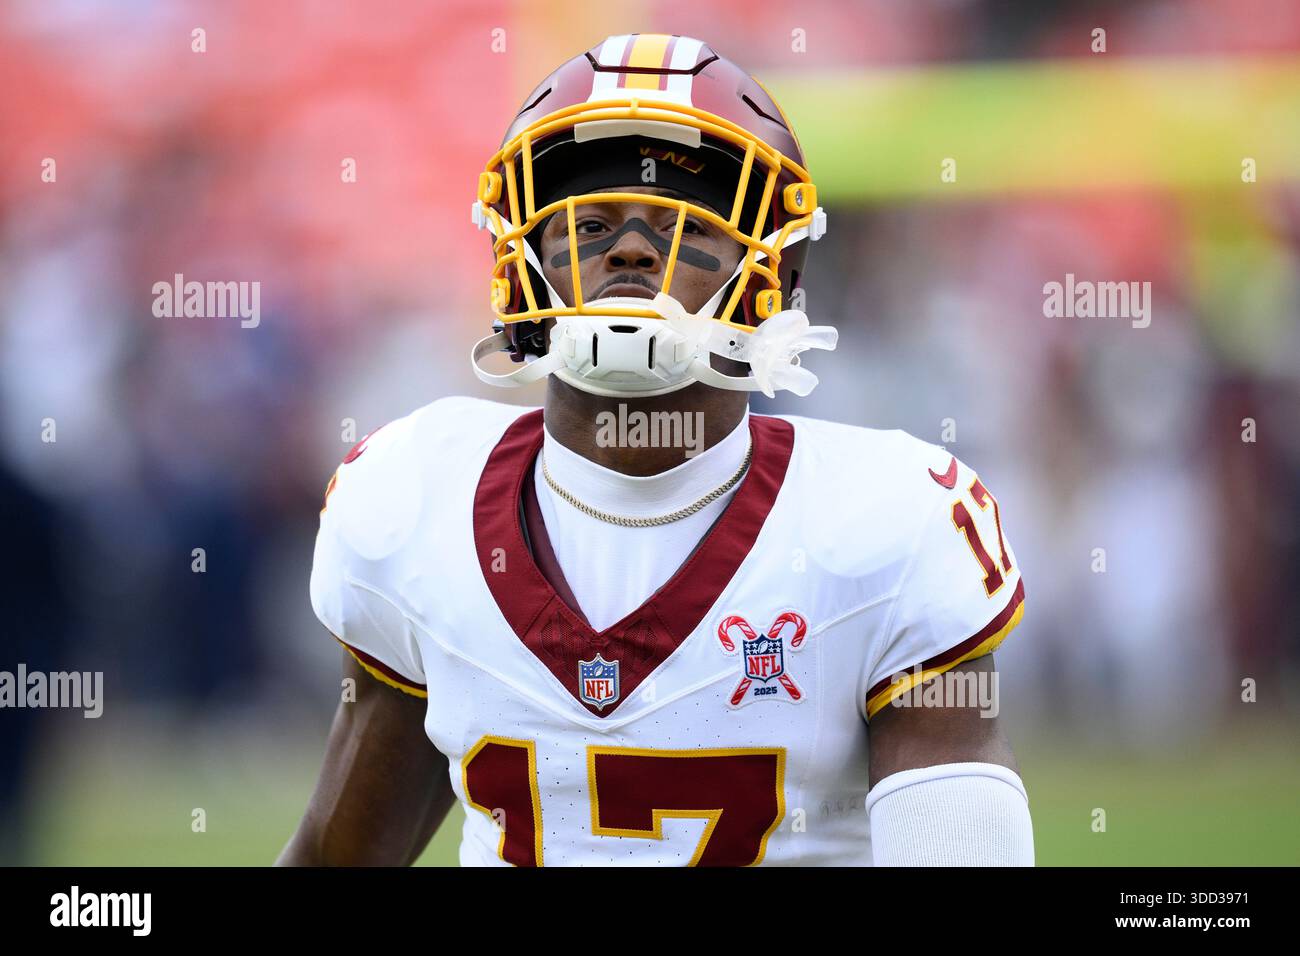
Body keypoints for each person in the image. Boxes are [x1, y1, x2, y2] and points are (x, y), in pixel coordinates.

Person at [279, 34, 1032, 866]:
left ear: (771, 273)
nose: (630, 251)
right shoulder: (415, 499)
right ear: (517, 260)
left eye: (680, 225)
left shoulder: (887, 522)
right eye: (591, 223)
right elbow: (334, 856)